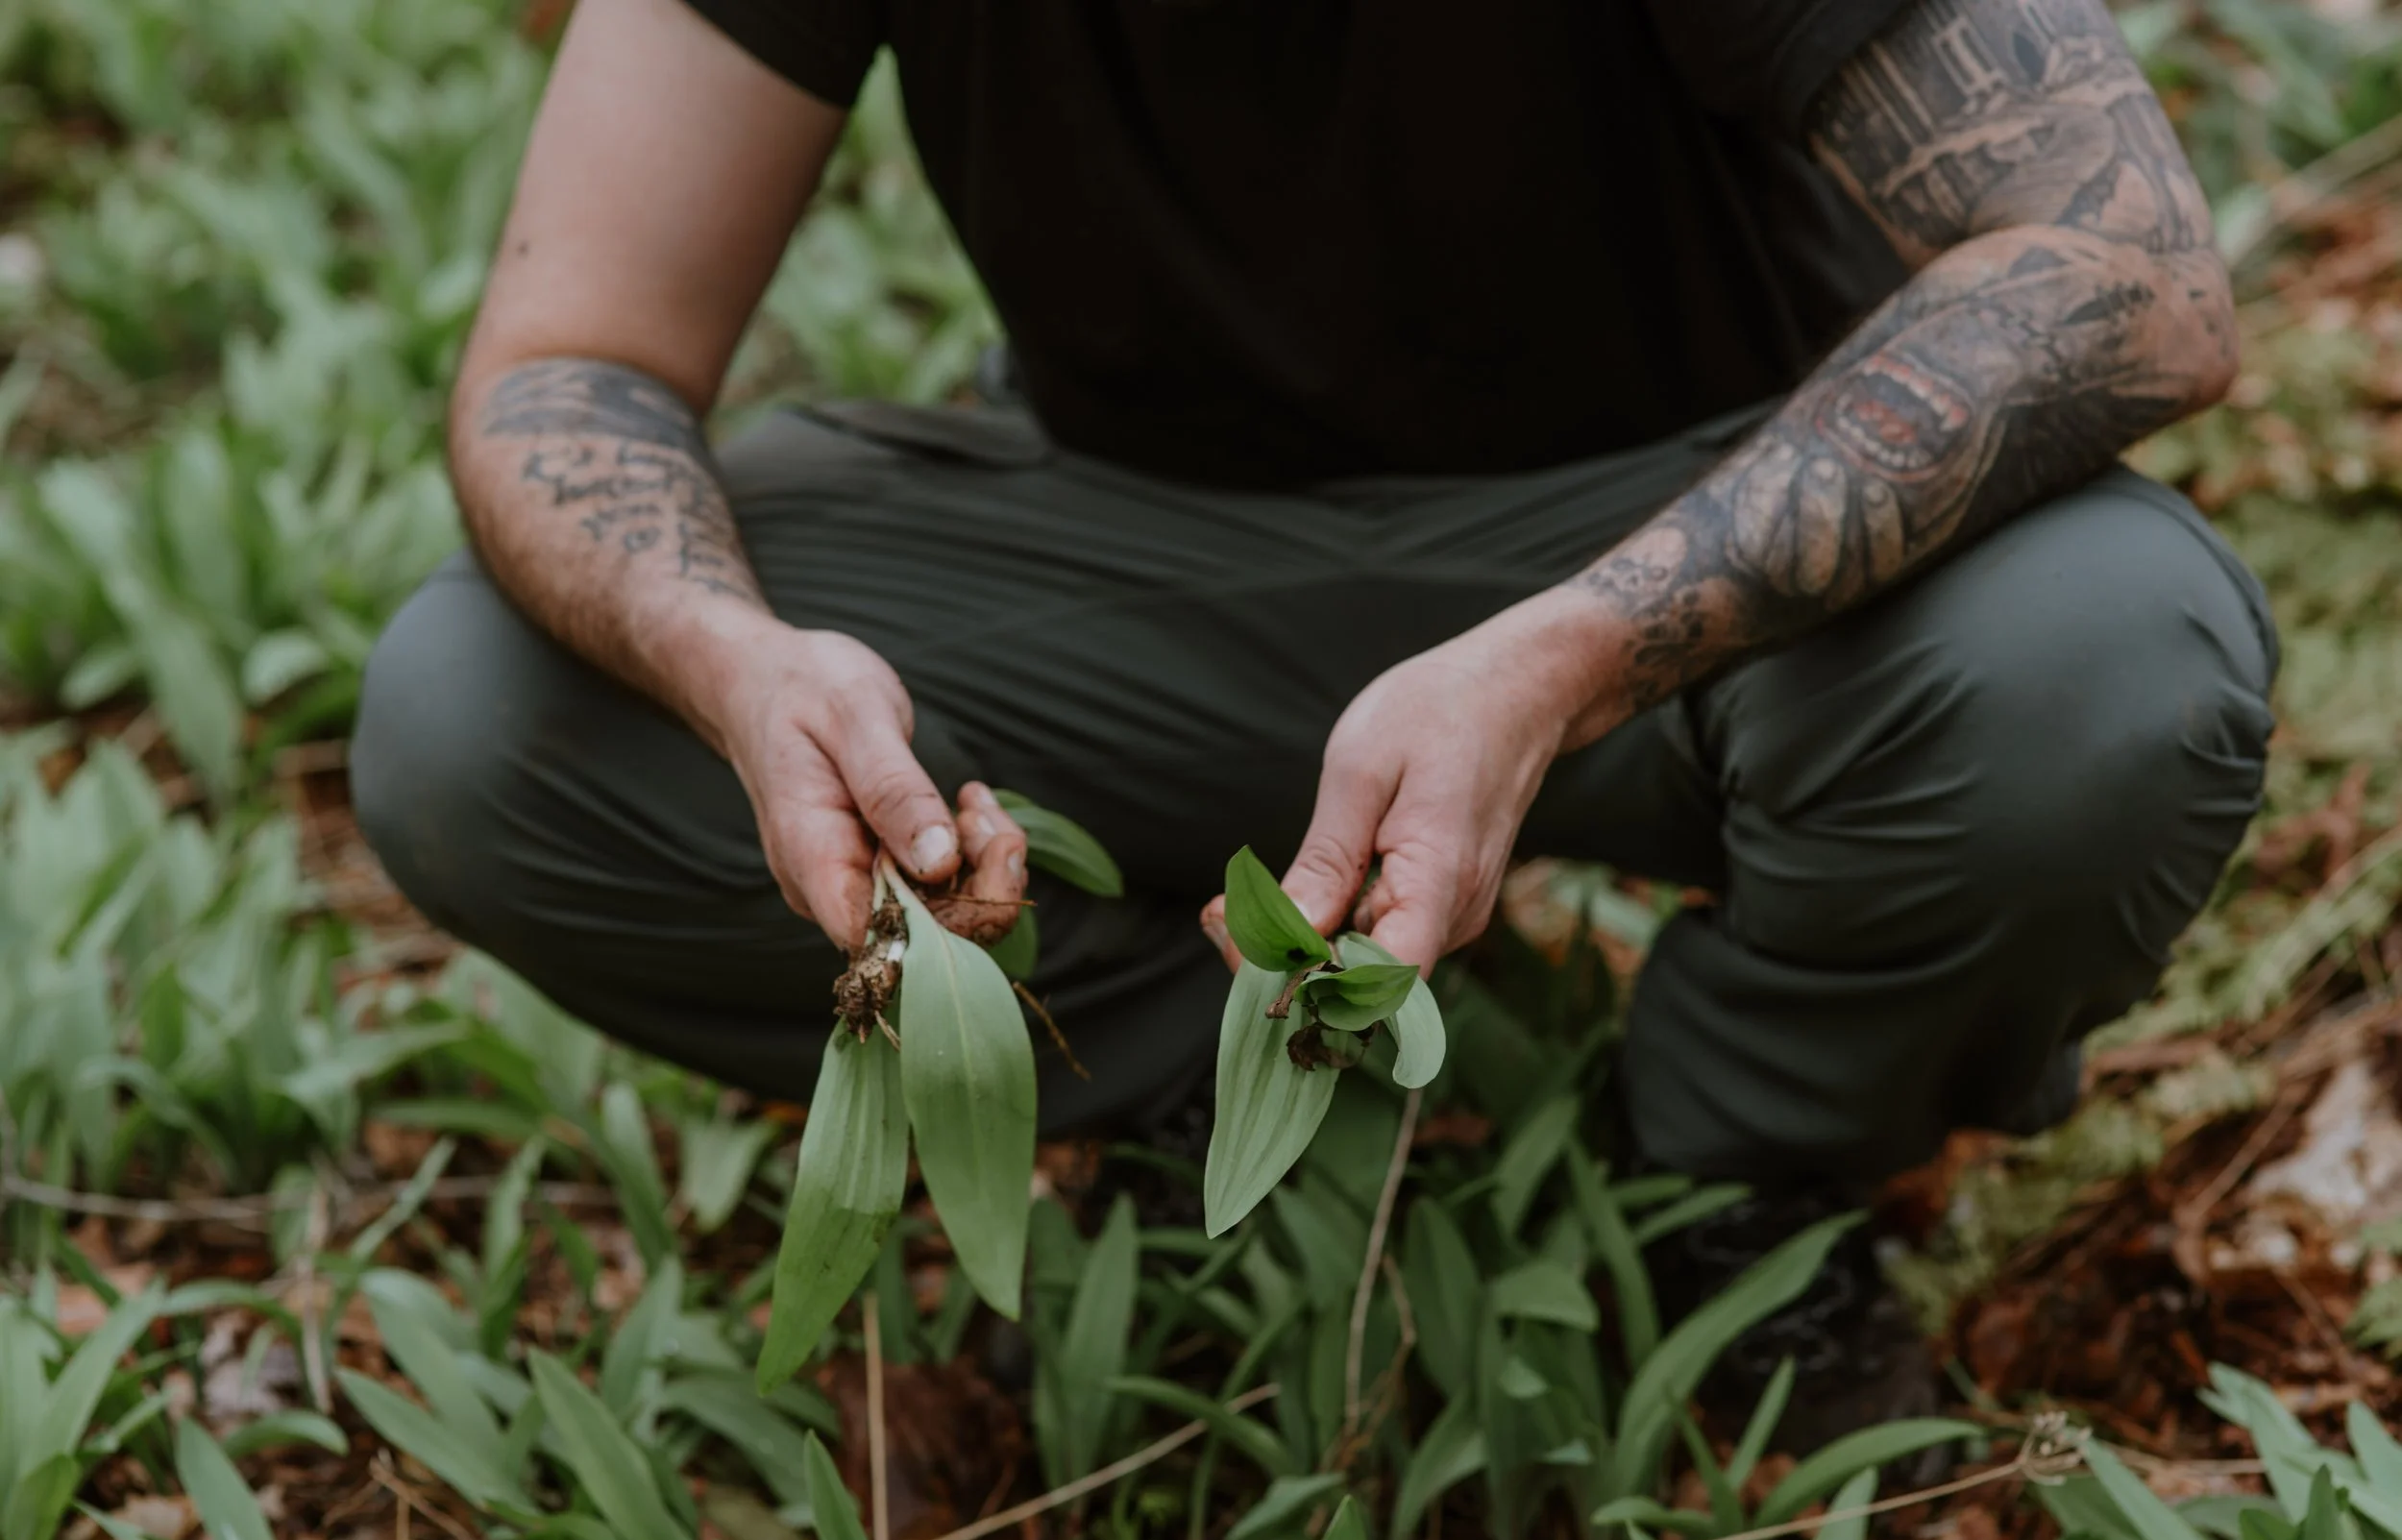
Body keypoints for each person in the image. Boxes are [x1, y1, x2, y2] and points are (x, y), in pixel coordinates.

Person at [354, 0, 2273, 1408]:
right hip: (1139, 550)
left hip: (1703, 535)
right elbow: (574, 348)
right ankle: (1207, 1104)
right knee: (477, 721)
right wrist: (739, 665)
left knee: (2097, 665)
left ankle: (1734, 1173)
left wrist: (1563, 653)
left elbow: (2122, 257)